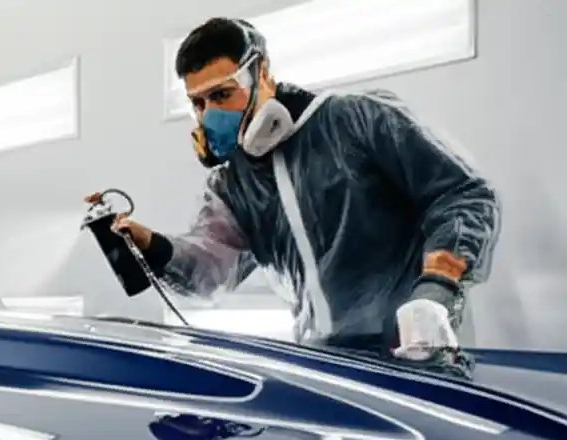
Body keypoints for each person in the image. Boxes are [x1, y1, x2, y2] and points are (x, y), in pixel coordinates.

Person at [88, 17, 501, 373]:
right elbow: (210, 267)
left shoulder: (355, 121)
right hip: (322, 364)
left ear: (262, 74)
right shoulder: (234, 184)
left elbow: (464, 196)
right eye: (198, 103)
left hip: (417, 351)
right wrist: (149, 244)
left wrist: (435, 293)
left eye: (222, 94)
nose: (209, 115)